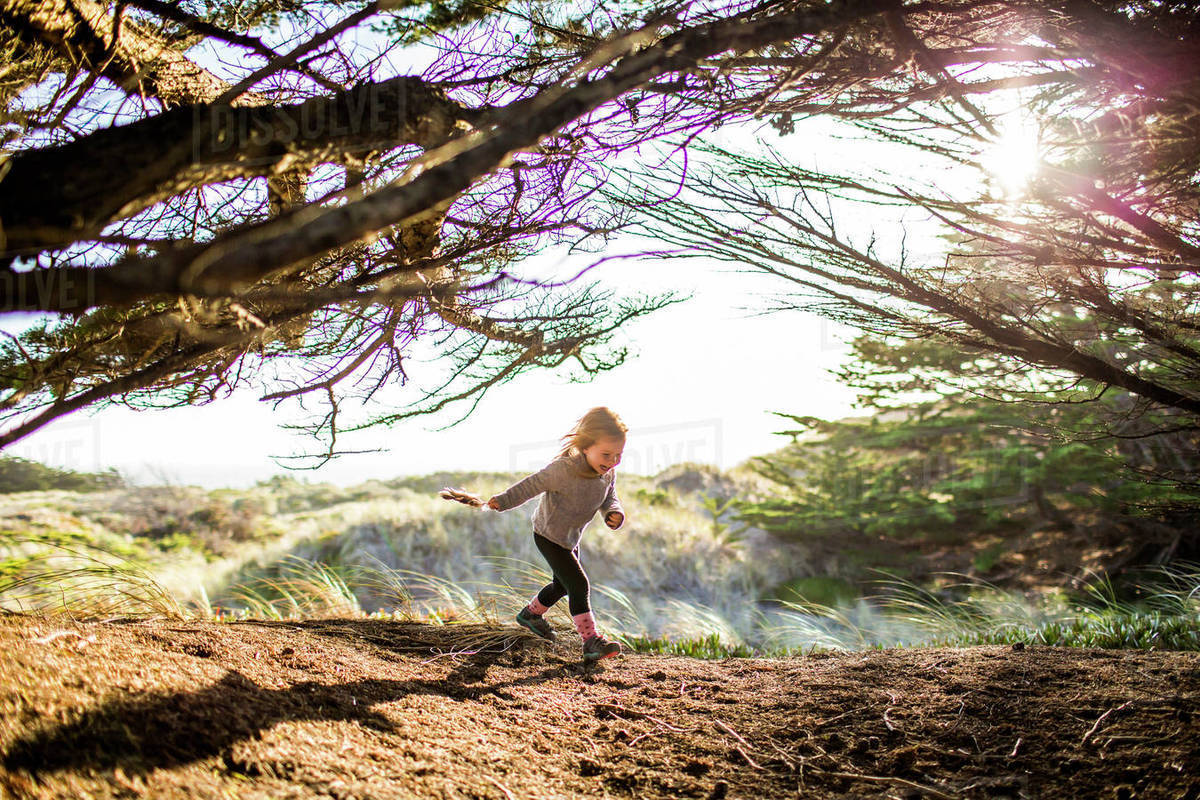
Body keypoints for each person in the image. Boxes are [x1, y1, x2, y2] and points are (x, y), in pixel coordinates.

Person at [487, 407, 627, 661]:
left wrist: (613, 512)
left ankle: (530, 615)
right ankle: (590, 641)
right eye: (606, 454)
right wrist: (504, 500)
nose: (612, 461)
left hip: (570, 537)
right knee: (578, 584)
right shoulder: (564, 469)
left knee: (562, 585)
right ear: (586, 447)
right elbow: (532, 484)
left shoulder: (607, 474)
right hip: (548, 535)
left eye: (618, 455)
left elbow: (609, 496)